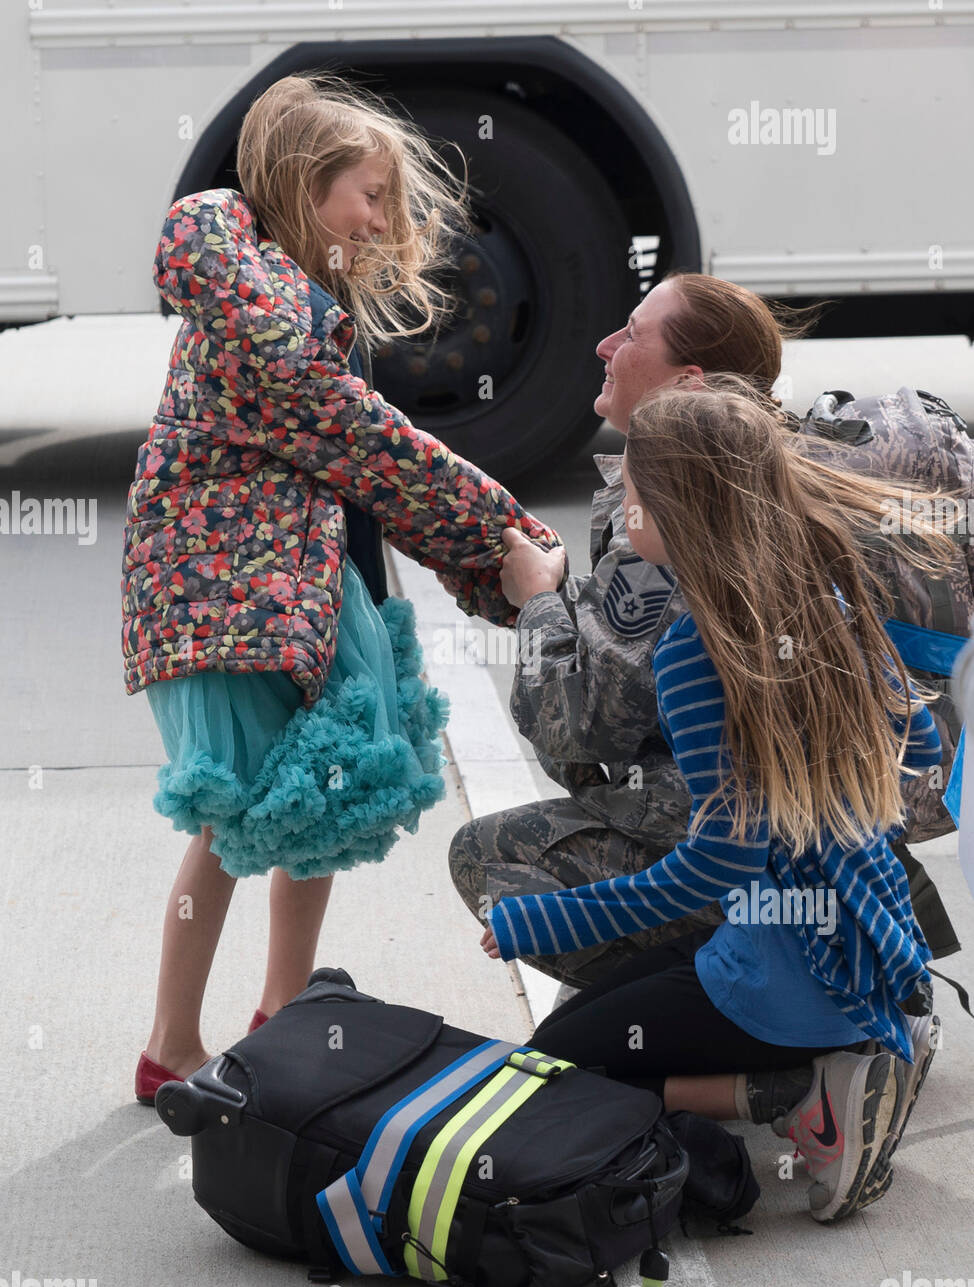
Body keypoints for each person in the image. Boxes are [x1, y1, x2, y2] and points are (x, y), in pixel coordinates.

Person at [122, 71, 564, 1103]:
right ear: (300, 183)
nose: (382, 220)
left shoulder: (280, 296)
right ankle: (173, 1044)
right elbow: (367, 446)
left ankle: (280, 1008)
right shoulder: (258, 309)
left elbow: (356, 462)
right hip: (233, 597)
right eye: (366, 194)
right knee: (236, 819)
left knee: (305, 797)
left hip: (294, 582)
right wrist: (499, 532)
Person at [479, 376, 957, 1222]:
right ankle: (844, 1053)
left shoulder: (695, 649)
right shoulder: (827, 596)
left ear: (671, 508)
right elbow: (921, 747)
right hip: (869, 941)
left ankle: (807, 1099)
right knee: (597, 1023)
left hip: (787, 970)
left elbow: (718, 860)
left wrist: (538, 923)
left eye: (630, 489)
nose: (623, 504)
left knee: (546, 1070)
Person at [449, 272, 959, 990]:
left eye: (631, 334)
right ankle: (861, 936)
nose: (605, 345)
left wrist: (537, 601)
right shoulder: (777, 469)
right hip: (842, 823)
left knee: (487, 853)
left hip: (746, 845)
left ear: (687, 384)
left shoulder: (678, 528)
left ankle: (752, 1005)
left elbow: (579, 724)